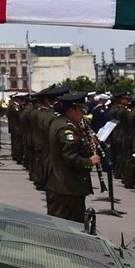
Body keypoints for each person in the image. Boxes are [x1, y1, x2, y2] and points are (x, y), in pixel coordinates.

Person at [46, 91, 101, 222]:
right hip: (67, 187)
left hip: (65, 185)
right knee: (69, 225)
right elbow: (70, 157)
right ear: (71, 110)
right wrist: (89, 161)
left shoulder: (61, 122)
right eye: (81, 110)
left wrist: (88, 143)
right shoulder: (66, 128)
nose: (82, 114)